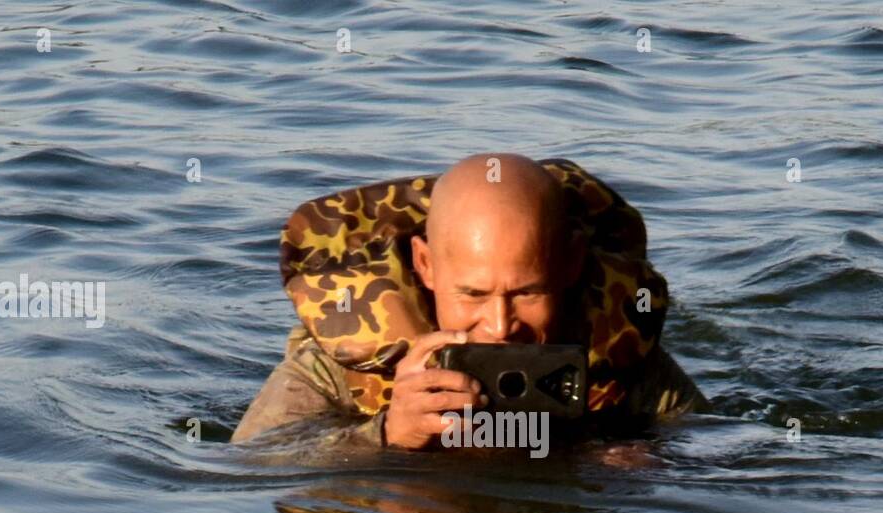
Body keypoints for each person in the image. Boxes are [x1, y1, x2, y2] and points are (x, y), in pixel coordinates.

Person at [231, 153, 705, 448]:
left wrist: (643, 458)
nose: (500, 325)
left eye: (527, 293)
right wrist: (386, 435)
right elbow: (250, 463)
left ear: (572, 263)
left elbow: (719, 452)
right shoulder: (346, 362)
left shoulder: (619, 361)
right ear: (426, 266)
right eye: (473, 294)